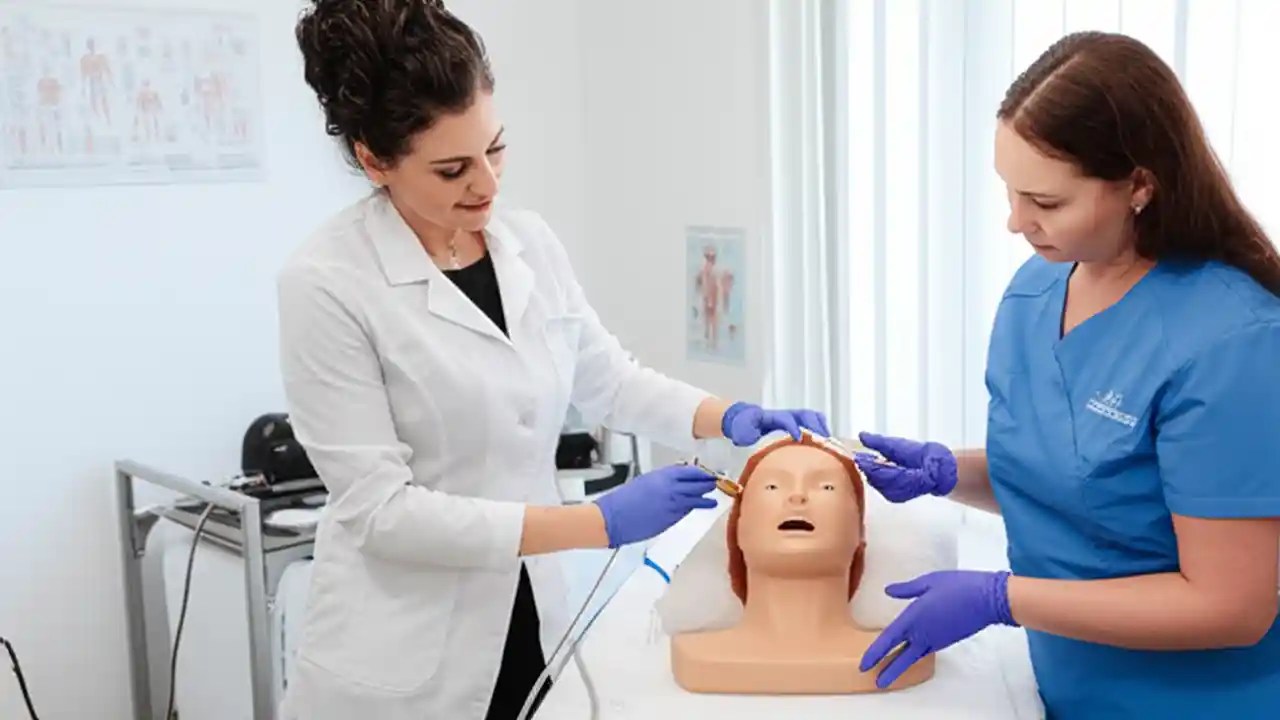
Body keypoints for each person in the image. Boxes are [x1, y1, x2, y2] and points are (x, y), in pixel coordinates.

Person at [278, 2, 830, 720]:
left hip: (529, 619)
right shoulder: (326, 283)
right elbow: (385, 514)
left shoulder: (526, 243)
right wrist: (596, 523)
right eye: (452, 169)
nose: (487, 185)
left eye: (495, 149)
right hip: (400, 656)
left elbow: (607, 379)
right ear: (374, 160)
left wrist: (728, 416)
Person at [852, 31, 1280, 719]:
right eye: (1011, 192)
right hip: (1064, 688)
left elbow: (1232, 605)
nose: (1015, 222)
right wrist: (945, 472)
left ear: (1139, 185)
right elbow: (1086, 481)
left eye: (1045, 204)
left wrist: (1004, 597)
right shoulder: (1035, 292)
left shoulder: (1232, 341)